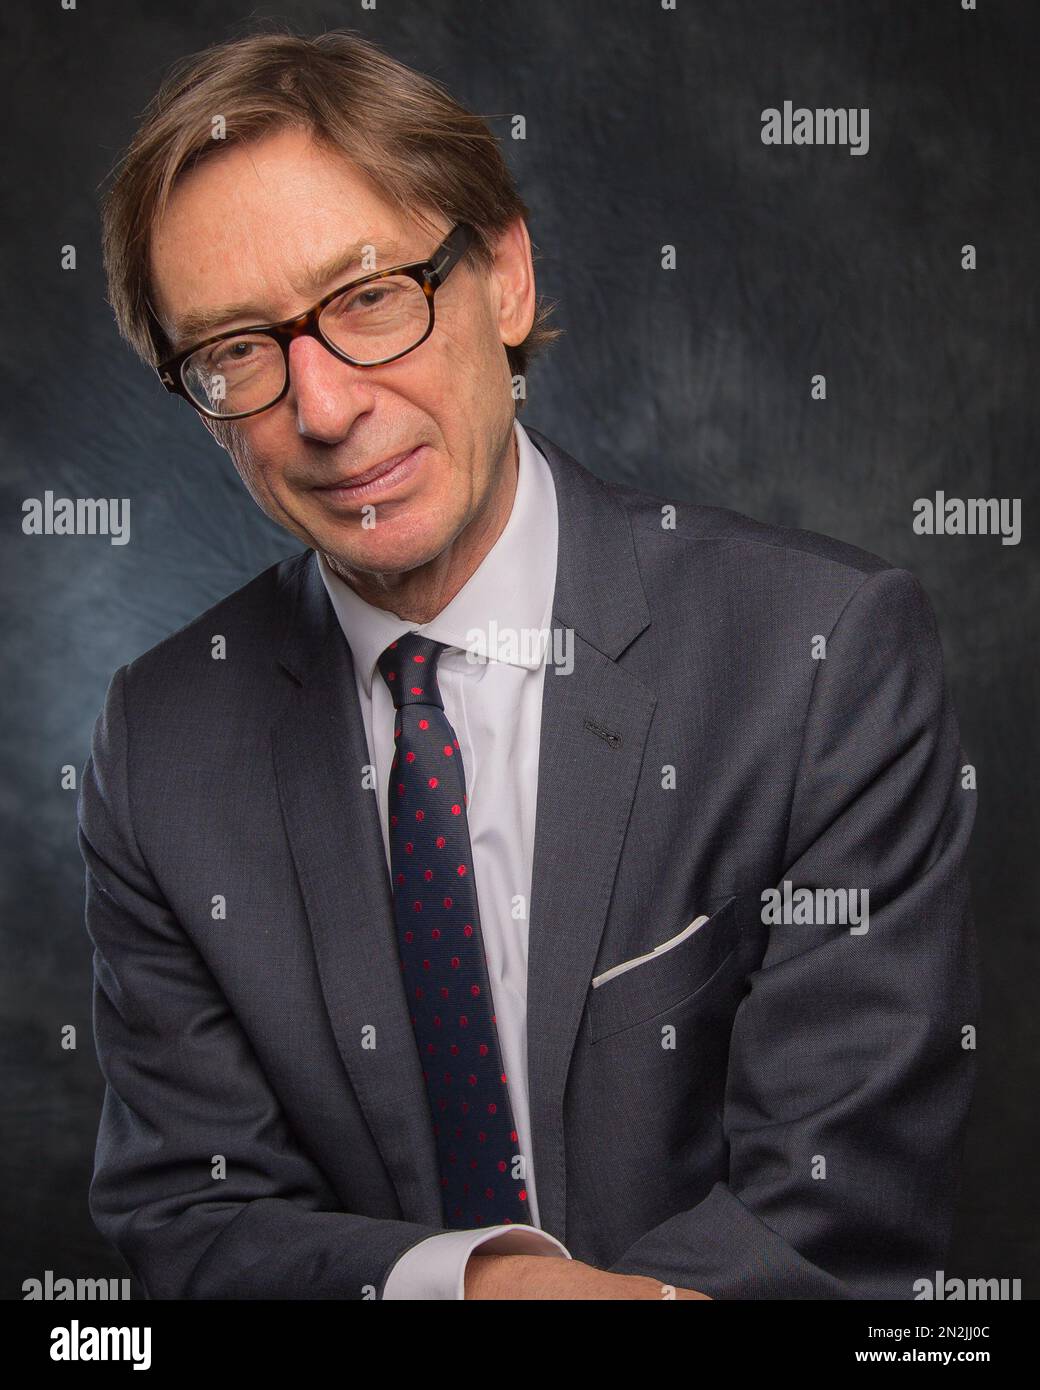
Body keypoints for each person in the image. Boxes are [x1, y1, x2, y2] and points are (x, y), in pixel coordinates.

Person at [79, 29, 978, 1300]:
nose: (325, 409)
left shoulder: (817, 657)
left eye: (371, 295)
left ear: (502, 276)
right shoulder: (158, 739)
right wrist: (480, 1289)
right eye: (236, 349)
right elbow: (193, 1218)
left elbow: (843, 1207)